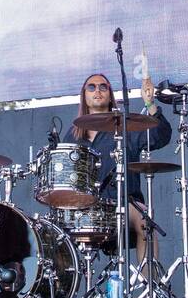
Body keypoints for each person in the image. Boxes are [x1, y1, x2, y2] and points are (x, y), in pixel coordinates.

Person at [64, 72, 171, 271]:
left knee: (145, 220)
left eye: (103, 87)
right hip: (86, 207)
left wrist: (150, 104)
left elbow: (160, 136)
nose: (98, 90)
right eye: (92, 87)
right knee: (54, 232)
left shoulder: (126, 126)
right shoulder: (72, 135)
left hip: (124, 203)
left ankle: (150, 291)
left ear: (110, 94)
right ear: (84, 95)